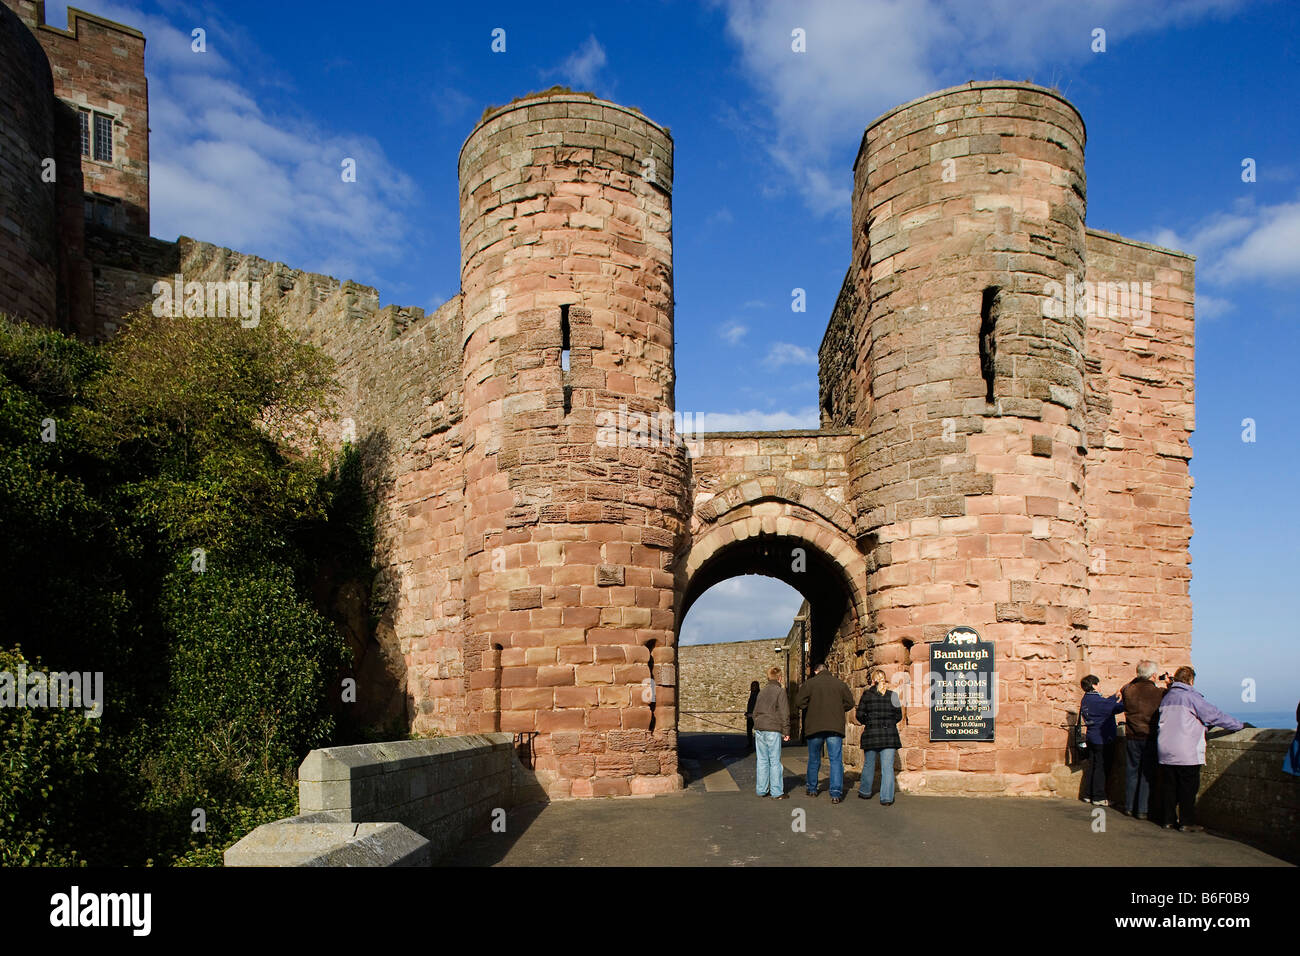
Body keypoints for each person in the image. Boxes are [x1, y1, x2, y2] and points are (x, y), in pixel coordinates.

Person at [1156, 666, 1243, 832]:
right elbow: (1214, 715)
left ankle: (1168, 820)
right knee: (1188, 788)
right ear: (1191, 680)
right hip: (1185, 749)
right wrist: (1238, 725)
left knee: (1169, 788)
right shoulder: (1191, 697)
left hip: (1165, 748)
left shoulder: (1167, 698)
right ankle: (1186, 822)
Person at [795, 662, 854, 803]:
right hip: (834, 726)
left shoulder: (809, 684)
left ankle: (812, 788)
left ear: (816, 671)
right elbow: (850, 703)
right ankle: (835, 793)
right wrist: (839, 709)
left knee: (814, 758)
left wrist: (810, 706)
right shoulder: (840, 684)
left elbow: (799, 703)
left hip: (814, 726)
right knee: (835, 760)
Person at [1118, 660, 1166, 819]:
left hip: (1132, 736)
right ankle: (1142, 809)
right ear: (1153, 675)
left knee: (1131, 772)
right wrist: (1167, 681)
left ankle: (1129, 807)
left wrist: (1138, 678)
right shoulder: (1158, 693)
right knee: (1146, 774)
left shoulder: (1128, 691)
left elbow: (1124, 687)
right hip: (1150, 737)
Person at [855, 669, 903, 806]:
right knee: (887, 768)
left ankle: (865, 792)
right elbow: (898, 716)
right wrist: (889, 723)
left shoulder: (867, 695)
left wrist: (868, 722)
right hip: (889, 735)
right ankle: (887, 798)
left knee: (869, 764)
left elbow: (859, 715)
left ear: (873, 680)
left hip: (871, 734)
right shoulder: (892, 695)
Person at [1078, 674, 1124, 805]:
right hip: (1101, 739)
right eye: (1098, 684)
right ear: (1094, 685)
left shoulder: (1086, 699)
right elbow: (1112, 707)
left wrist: (1114, 697)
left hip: (1092, 736)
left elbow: (1105, 705)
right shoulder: (1096, 700)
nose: (1099, 687)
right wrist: (1122, 700)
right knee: (1101, 768)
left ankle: (1088, 794)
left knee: (1093, 766)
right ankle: (1098, 796)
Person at [751, 666, 790, 799]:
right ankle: (777, 791)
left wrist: (757, 723)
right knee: (774, 761)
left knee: (762, 760)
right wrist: (786, 731)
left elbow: (755, 712)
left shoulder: (761, 692)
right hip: (773, 728)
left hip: (760, 728)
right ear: (779, 677)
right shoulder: (780, 691)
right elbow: (785, 713)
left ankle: (762, 790)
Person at [744, 680, 761, 752]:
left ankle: (758, 744)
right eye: (752, 686)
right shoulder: (752, 694)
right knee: (749, 730)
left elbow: (757, 706)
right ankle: (750, 743)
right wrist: (747, 713)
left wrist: (752, 713)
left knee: (758, 731)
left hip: (755, 716)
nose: (753, 687)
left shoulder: (758, 695)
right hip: (750, 715)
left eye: (754, 686)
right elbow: (751, 705)